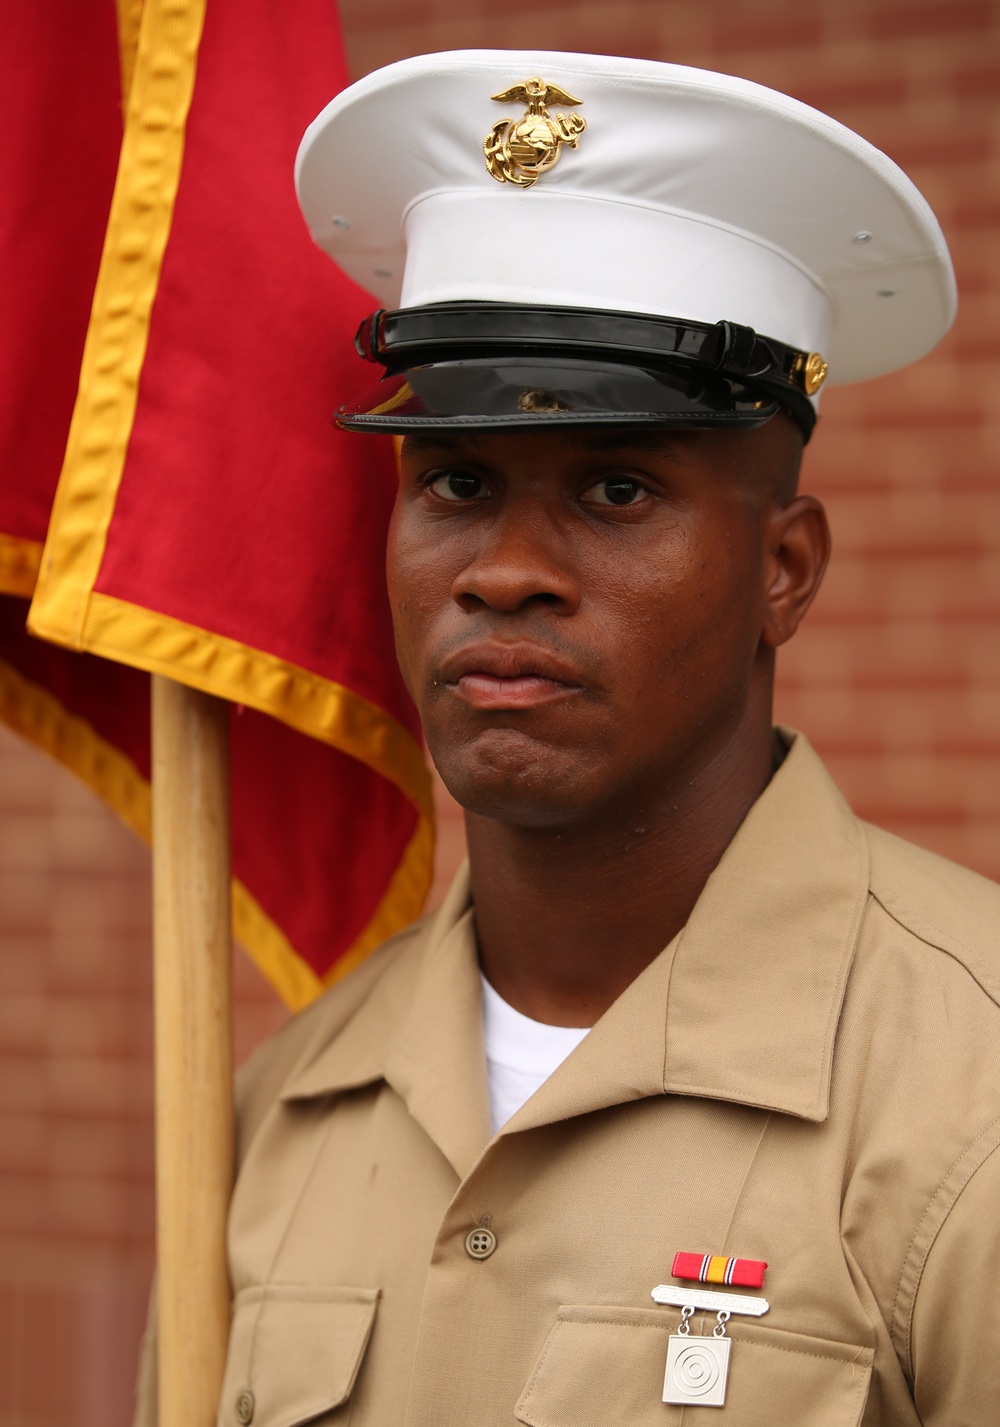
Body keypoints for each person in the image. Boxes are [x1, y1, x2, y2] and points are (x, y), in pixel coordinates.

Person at [136, 51, 999, 1427]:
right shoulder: (281, 1109)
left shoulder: (972, 1097)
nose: (506, 569)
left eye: (615, 487)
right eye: (459, 484)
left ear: (786, 569)